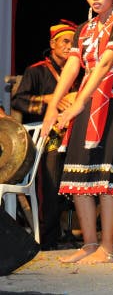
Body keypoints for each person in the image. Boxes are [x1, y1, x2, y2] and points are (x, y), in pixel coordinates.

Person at [41, 0, 113, 265]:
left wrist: (79, 103)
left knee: (107, 174)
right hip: (84, 101)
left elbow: (106, 62)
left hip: (112, 101)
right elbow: (72, 68)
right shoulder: (83, 29)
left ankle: (107, 247)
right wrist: (52, 109)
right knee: (79, 171)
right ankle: (89, 243)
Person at [11, 19, 78, 250]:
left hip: (74, 131)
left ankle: (76, 232)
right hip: (47, 134)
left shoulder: (77, 71)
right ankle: (49, 238)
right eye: (65, 41)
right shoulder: (36, 70)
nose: (70, 46)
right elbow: (18, 101)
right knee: (51, 181)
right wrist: (49, 100)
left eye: (73, 42)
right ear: (53, 43)